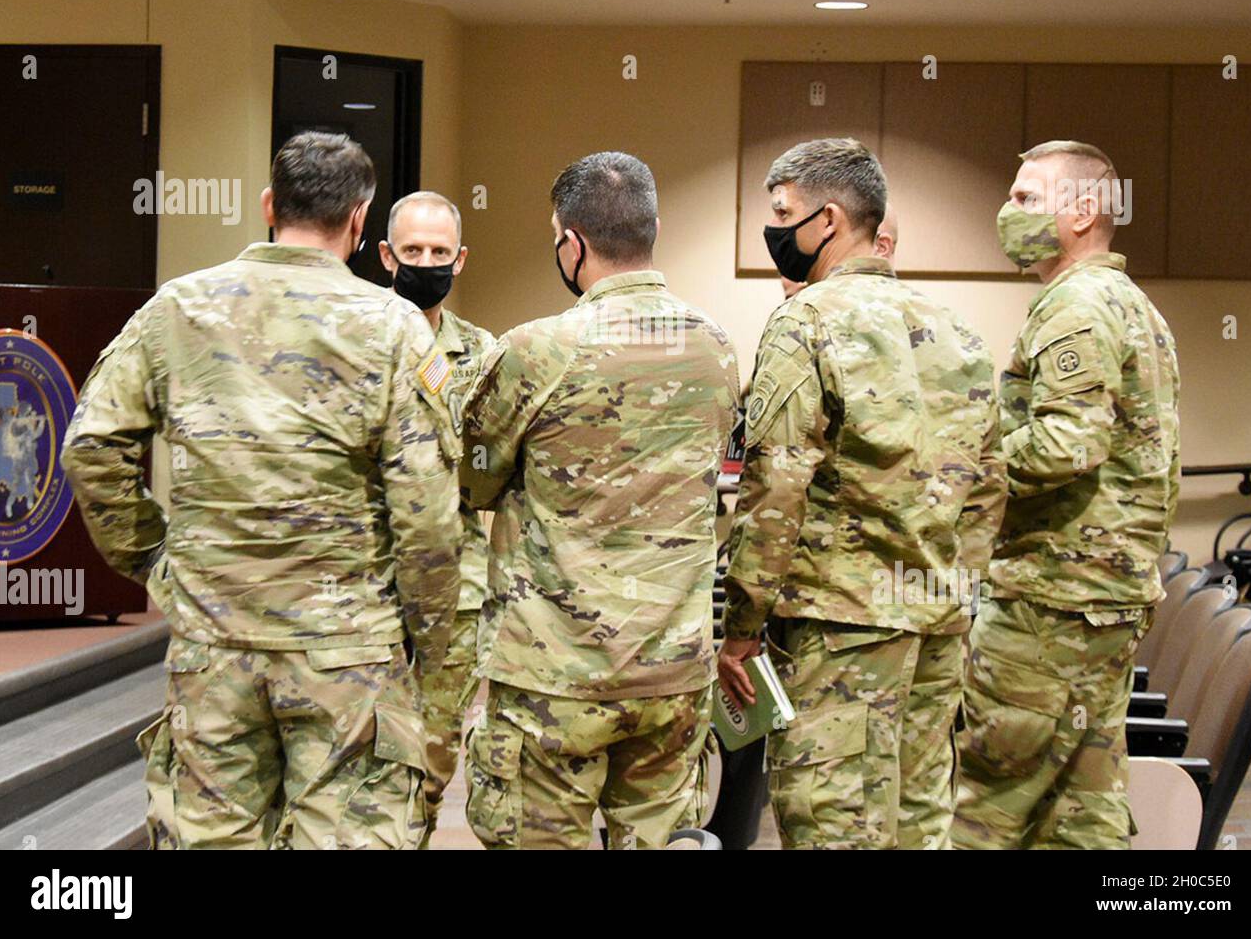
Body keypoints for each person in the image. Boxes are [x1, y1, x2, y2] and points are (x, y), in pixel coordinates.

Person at [61, 131, 461, 850]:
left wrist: (156, 562)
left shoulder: (177, 309)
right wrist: (431, 657)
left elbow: (92, 446)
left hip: (215, 642)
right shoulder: (393, 326)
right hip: (347, 654)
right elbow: (426, 514)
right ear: (362, 220)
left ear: (270, 205)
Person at [718, 137, 1005, 850]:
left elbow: (775, 487)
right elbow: (988, 486)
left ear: (828, 221)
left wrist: (743, 625)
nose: (774, 230)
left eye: (783, 212)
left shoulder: (805, 321)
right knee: (917, 824)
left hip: (838, 631)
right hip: (936, 624)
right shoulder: (959, 332)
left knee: (832, 825)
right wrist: (950, 589)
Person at [460, 151, 739, 849]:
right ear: (653, 229)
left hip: (556, 673)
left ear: (571, 242)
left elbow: (472, 480)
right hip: (671, 673)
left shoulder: (536, 349)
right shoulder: (714, 347)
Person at [954, 140, 1180, 850]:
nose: (1007, 212)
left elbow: (1066, 445)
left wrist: (963, 474)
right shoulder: (1130, 303)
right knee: (1081, 807)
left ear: (1083, 213)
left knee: (984, 806)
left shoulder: (1075, 306)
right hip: (1103, 597)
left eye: (1025, 198)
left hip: (1050, 599)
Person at [378, 190, 495, 843]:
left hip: (457, 595)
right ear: (387, 255)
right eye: (413, 251)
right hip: (363, 591)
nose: (426, 262)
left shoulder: (481, 353)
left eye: (439, 252)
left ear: (461, 260)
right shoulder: (353, 341)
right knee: (352, 766)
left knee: (428, 761)